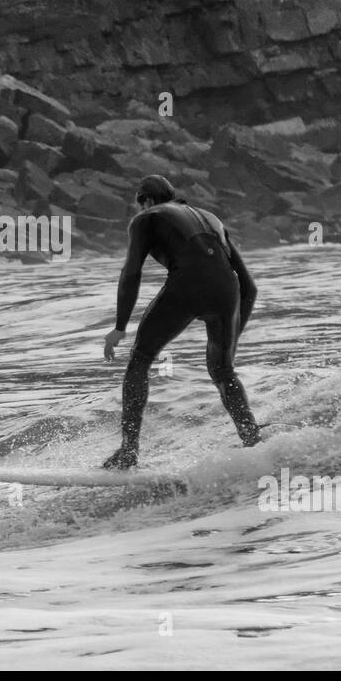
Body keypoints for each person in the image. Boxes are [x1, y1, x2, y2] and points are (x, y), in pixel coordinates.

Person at [101, 175, 262, 469]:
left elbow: (131, 273)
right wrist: (231, 337)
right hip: (227, 289)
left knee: (140, 361)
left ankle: (129, 451)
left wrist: (120, 327)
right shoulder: (211, 218)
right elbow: (249, 287)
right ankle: (253, 439)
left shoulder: (147, 218)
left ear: (146, 201)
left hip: (188, 283)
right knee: (223, 371)